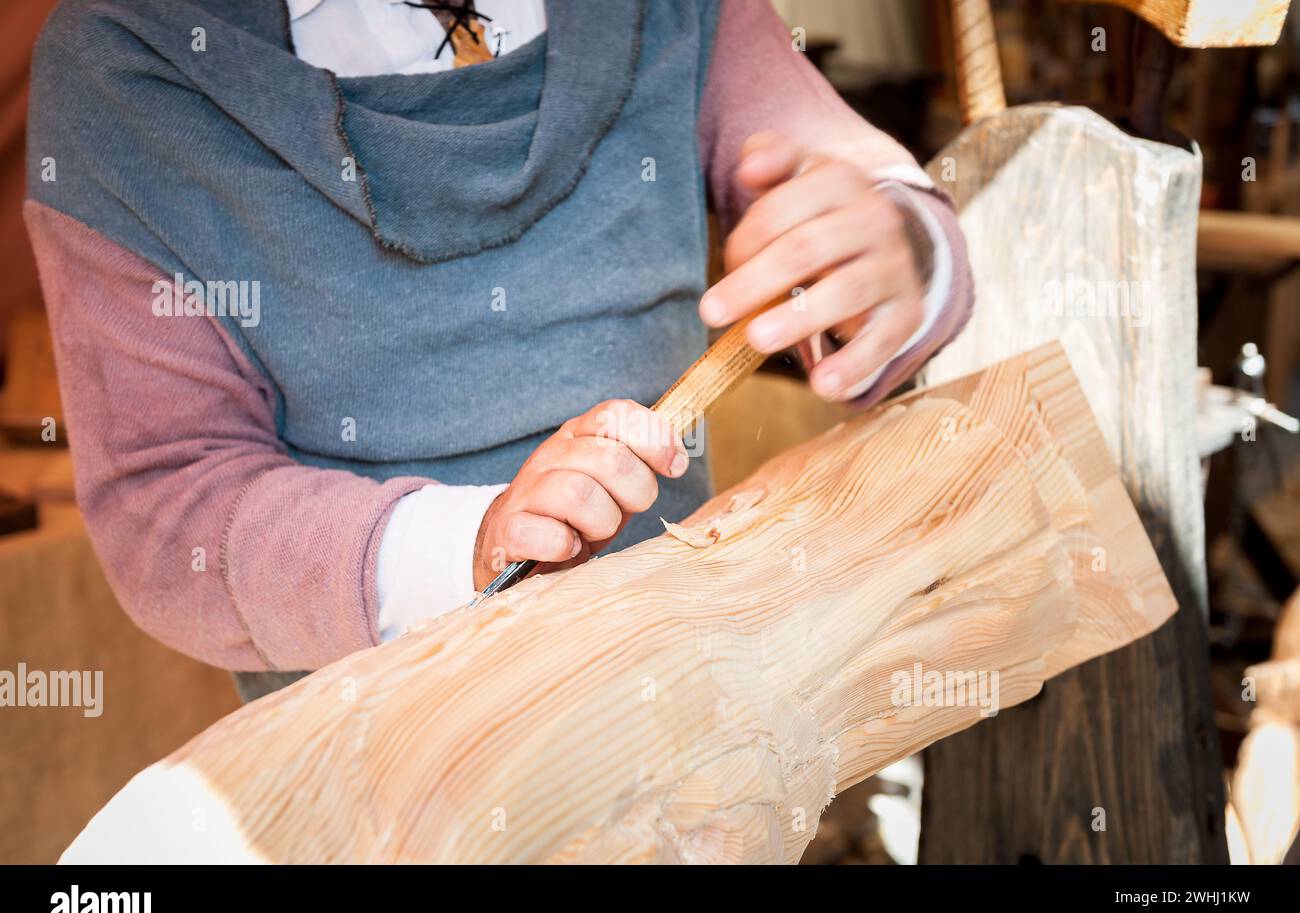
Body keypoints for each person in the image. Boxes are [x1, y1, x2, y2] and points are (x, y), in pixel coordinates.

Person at [25, 0, 973, 702]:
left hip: (700, 732)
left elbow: (832, 156)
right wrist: (469, 545)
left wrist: (904, 245)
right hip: (381, 794)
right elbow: (167, 510)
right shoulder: (126, 60)